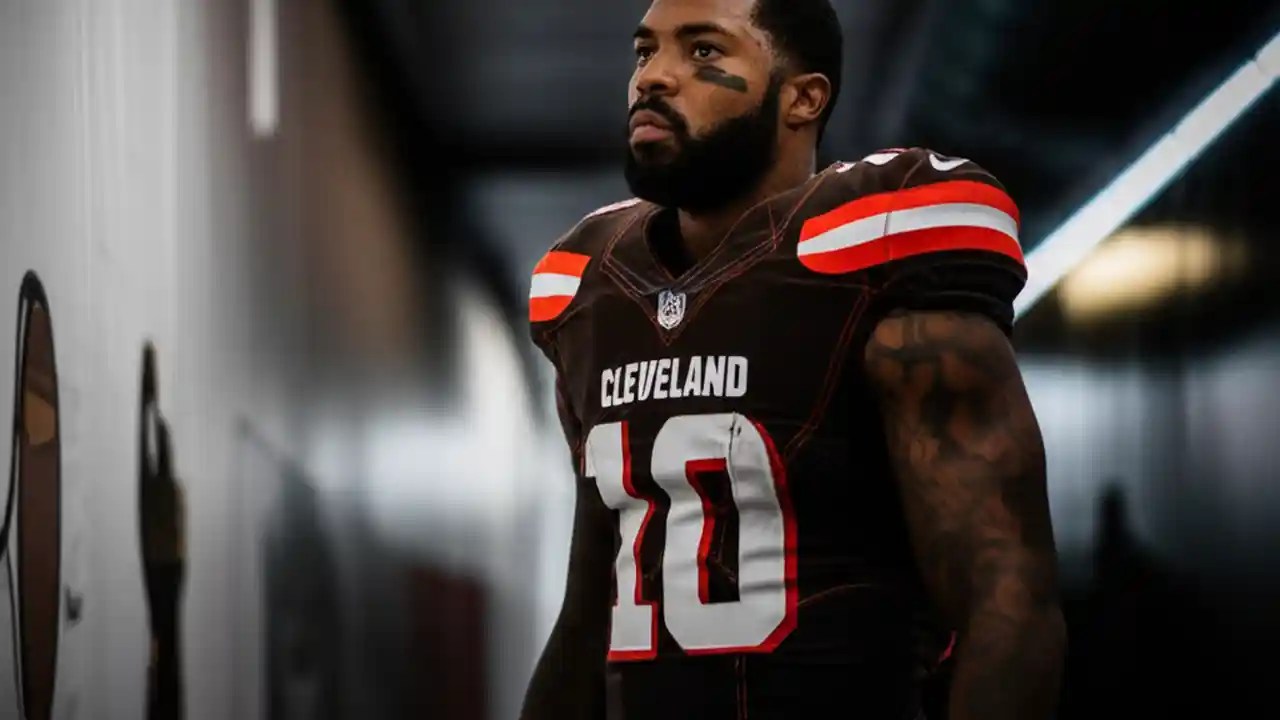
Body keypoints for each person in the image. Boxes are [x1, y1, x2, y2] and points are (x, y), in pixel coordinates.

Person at [522, 0, 1065, 717]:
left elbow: (1006, 599)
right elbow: (589, 618)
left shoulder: (875, 242)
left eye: (705, 52)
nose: (653, 77)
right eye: (644, 52)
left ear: (803, 98)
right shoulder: (590, 288)